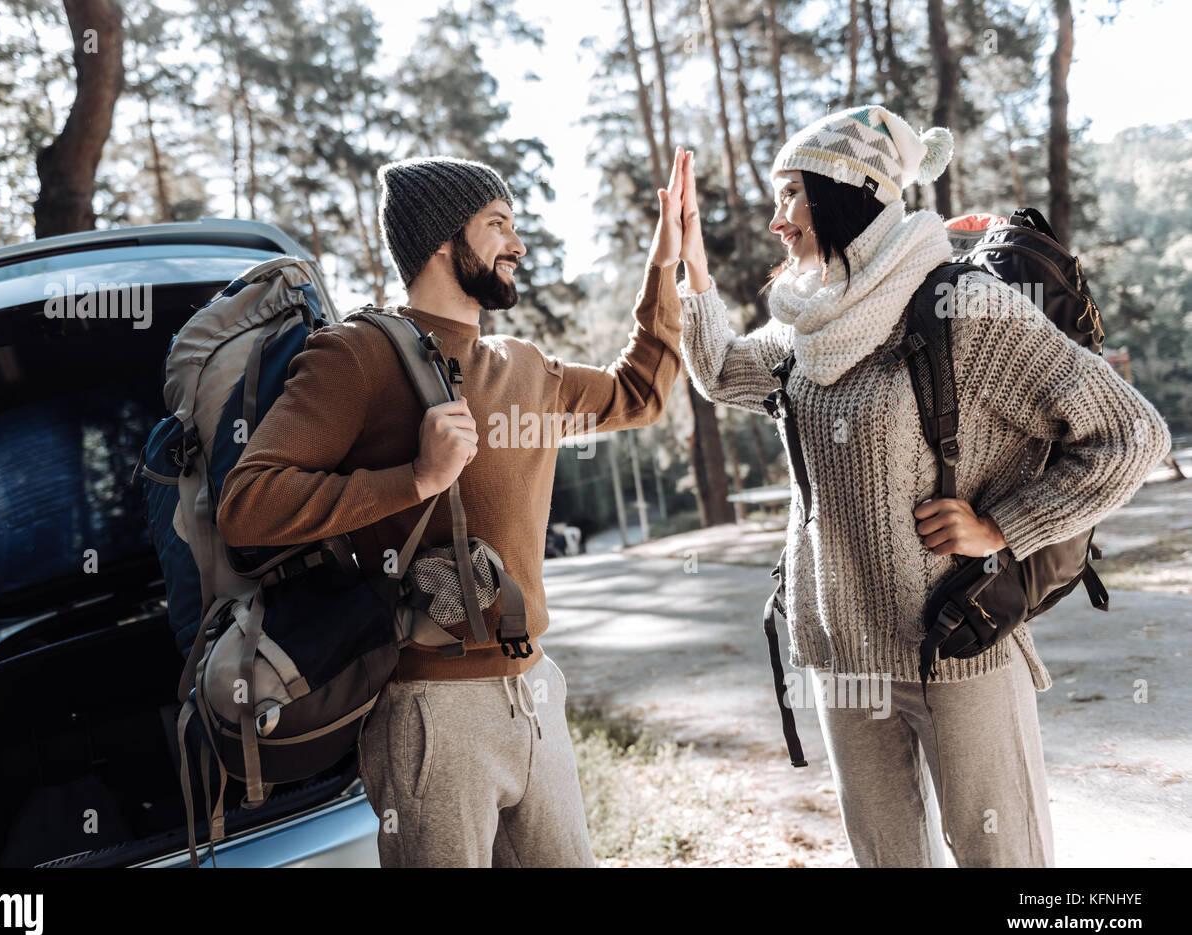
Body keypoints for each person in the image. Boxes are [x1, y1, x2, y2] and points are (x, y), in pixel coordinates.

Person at [675, 104, 1172, 867]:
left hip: (954, 643)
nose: (777, 222)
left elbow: (1132, 433)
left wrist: (1003, 525)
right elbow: (719, 371)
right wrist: (693, 272)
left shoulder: (962, 307)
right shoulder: (810, 323)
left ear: (847, 190)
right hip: (843, 657)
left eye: (790, 195)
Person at [216, 150, 691, 866]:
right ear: (443, 241)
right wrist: (412, 478)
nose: (519, 244)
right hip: (429, 715)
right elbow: (247, 505)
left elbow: (640, 393)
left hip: (534, 696)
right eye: (498, 224)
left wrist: (665, 268)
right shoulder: (356, 355)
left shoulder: (525, 365)